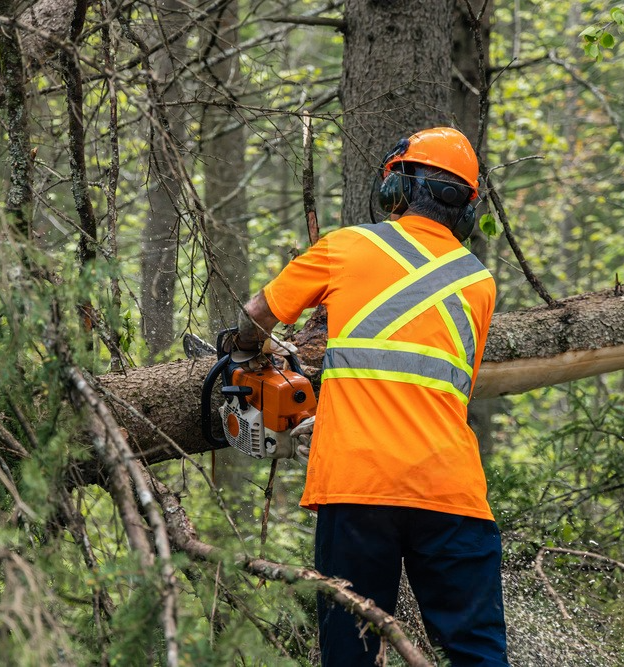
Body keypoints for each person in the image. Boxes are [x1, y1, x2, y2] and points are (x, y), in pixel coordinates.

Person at [227, 127, 507, 666]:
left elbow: (257, 316)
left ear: (399, 189)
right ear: (465, 207)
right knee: (477, 654)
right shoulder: (480, 282)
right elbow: (438, 390)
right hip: (451, 491)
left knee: (350, 652)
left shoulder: (346, 246)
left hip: (357, 484)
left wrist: (242, 353)